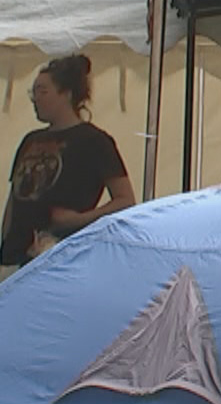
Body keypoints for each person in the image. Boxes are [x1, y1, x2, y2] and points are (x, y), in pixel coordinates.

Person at [3, 55, 135, 273]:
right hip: (14, 258)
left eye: (43, 91)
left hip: (60, 259)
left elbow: (125, 200)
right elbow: (13, 200)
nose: (35, 98)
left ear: (66, 94)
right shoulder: (30, 140)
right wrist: (5, 242)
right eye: (33, 92)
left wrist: (79, 219)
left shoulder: (94, 141)